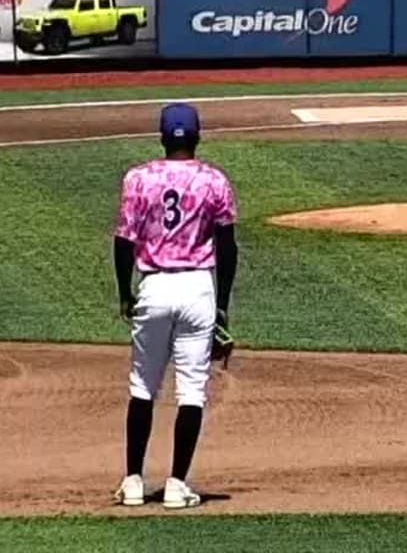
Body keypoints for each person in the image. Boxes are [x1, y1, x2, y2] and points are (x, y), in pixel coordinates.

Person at [112, 103, 238, 511]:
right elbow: (226, 246)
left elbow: (124, 241)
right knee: (191, 392)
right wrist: (221, 306)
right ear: (198, 136)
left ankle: (133, 481)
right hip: (197, 289)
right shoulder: (214, 181)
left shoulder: (138, 178)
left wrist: (125, 293)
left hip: (153, 287)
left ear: (163, 138)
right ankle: (176, 485)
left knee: (142, 388)